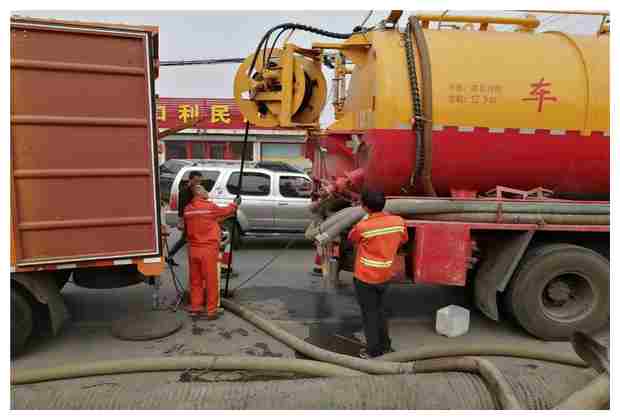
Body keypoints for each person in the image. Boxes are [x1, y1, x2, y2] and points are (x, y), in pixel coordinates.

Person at [347, 188, 408, 358]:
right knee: (380, 311)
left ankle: (374, 351)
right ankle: (386, 345)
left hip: (365, 277)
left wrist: (365, 220)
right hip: (385, 275)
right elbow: (403, 239)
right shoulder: (398, 221)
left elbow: (352, 239)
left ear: (365, 207)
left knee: (369, 315)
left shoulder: (363, 226)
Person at [184, 184, 241, 319]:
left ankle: (196, 307)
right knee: (211, 281)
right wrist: (235, 204)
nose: (207, 191)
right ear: (198, 192)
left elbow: (209, 219)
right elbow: (225, 211)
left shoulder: (188, 209)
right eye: (204, 189)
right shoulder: (209, 207)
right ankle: (211, 310)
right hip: (207, 249)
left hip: (193, 249)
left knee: (195, 280)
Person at [166, 171, 203, 266]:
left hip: (195, 218)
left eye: (199, 181)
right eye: (196, 181)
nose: (198, 183)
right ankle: (170, 256)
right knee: (186, 239)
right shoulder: (184, 191)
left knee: (186, 239)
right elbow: (182, 207)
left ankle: (169, 256)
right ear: (190, 180)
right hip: (188, 219)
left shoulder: (197, 189)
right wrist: (181, 220)